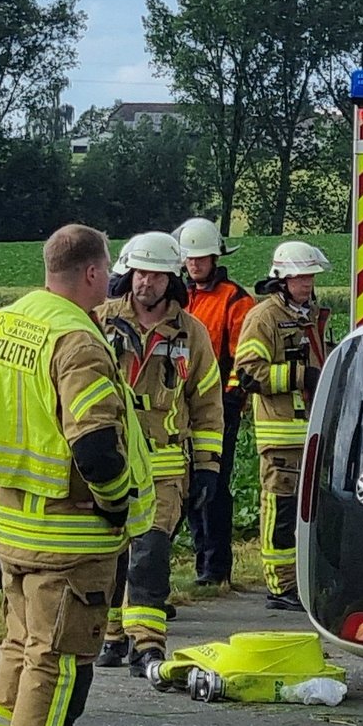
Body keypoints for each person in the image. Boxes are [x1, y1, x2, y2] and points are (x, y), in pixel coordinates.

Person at [0, 224, 152, 726]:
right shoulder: (78, 339)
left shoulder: (5, 322)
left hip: (13, 528)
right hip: (71, 539)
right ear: (92, 274)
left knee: (19, 653)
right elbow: (94, 444)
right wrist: (118, 505)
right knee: (59, 666)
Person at [94, 231, 224, 677]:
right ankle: (111, 636)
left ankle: (146, 643)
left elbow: (207, 404)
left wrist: (207, 467)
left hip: (165, 466)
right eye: (139, 273)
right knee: (110, 553)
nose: (145, 283)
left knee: (149, 554)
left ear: (172, 280)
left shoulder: (191, 333)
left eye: (155, 274)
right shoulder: (102, 321)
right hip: (109, 458)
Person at [235, 242, 331, 611]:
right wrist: (299, 374)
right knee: (281, 511)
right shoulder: (264, 318)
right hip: (280, 435)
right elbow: (248, 372)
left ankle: (303, 581)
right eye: (300, 277)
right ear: (282, 279)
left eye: (310, 276)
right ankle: (281, 586)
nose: (306, 283)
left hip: (311, 430)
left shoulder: (313, 315)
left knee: (310, 512)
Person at [173, 216, 251, 588]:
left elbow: (242, 357)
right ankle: (201, 560)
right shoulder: (180, 297)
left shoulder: (235, 299)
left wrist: (231, 399)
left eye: (201, 258)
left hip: (219, 405)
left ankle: (216, 567)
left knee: (214, 484)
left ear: (215, 257)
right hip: (180, 404)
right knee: (187, 482)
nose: (194, 264)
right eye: (189, 258)